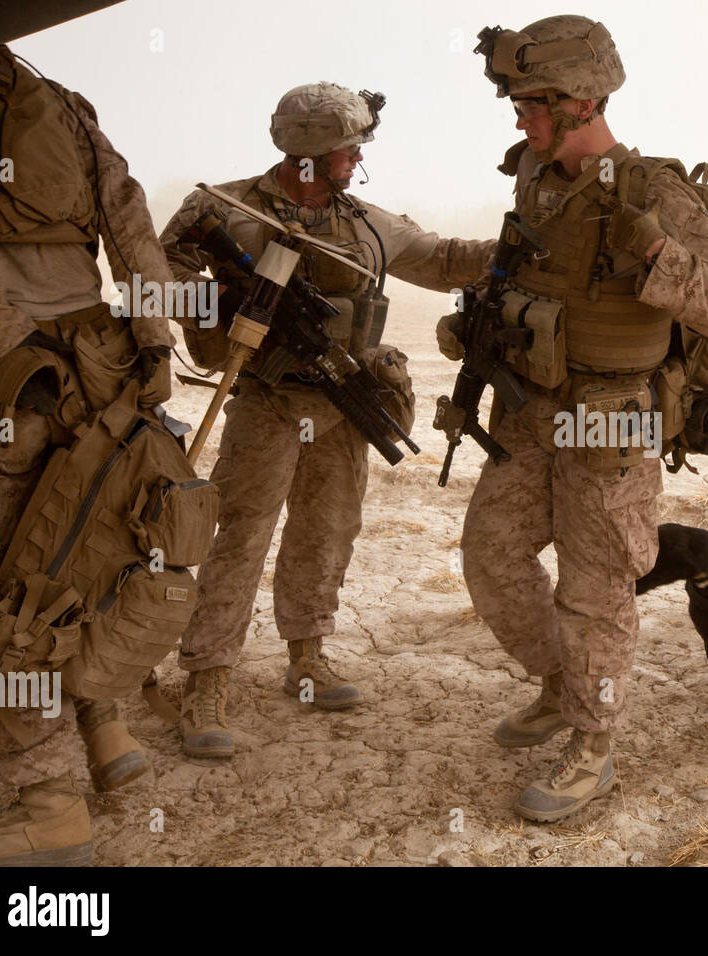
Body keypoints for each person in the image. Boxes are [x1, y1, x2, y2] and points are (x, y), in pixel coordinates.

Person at [445, 15, 708, 822]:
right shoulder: (536, 181)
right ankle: (560, 682)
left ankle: (593, 743)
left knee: (597, 590)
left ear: (581, 100)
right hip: (529, 411)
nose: (519, 118)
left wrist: (656, 255)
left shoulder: (655, 191)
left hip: (612, 427)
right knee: (490, 553)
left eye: (531, 103)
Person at [161, 82, 494, 757]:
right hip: (265, 398)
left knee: (328, 526)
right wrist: (220, 298)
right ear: (307, 153)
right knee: (241, 533)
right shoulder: (222, 209)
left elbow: (445, 259)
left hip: (342, 403)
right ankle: (207, 678)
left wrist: (523, 247)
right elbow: (153, 274)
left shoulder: (370, 223)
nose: (358, 159)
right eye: (348, 149)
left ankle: (308, 656)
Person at [0, 38, 174, 864]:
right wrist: (151, 336)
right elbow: (131, 220)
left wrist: (5, 348)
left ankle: (47, 807)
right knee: (87, 548)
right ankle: (105, 728)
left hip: (4, 381)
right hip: (101, 358)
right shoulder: (65, 103)